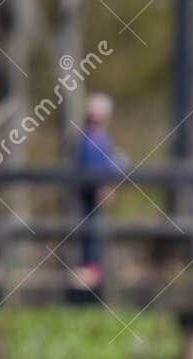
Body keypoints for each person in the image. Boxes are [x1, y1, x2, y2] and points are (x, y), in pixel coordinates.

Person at [75, 94, 126, 293]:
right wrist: (104, 186)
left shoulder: (90, 136)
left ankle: (93, 268)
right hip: (92, 189)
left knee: (93, 227)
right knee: (93, 227)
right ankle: (91, 270)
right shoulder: (93, 137)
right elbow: (96, 166)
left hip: (89, 188)